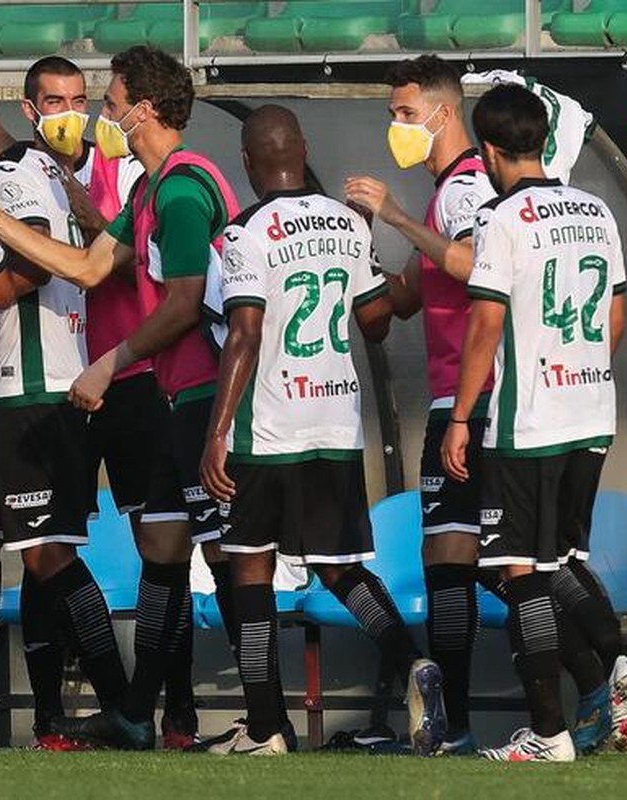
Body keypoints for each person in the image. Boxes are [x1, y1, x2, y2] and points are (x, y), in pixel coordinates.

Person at [0, 45, 241, 750]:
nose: (99, 115)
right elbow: (91, 268)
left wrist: (107, 363)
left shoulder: (180, 187)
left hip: (197, 397)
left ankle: (259, 721)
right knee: (158, 545)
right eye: (67, 103)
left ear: (144, 110)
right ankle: (131, 713)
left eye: (110, 101)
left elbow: (185, 303)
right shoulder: (148, 190)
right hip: (165, 390)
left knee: (226, 557)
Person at [198, 104, 446, 757]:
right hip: (335, 426)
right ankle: (412, 658)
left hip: (269, 428)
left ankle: (266, 728)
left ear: (248, 163)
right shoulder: (344, 223)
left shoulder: (243, 233)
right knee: (340, 568)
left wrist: (216, 430)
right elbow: (375, 323)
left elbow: (244, 331)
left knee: (248, 570)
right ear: (303, 150)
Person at [0, 77, 129, 751]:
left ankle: (126, 709)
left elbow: (30, 262)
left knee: (47, 556)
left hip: (41, 396)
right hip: (6, 393)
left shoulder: (8, 173)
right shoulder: (43, 164)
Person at [439, 83, 627, 762]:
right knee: (564, 561)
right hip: (591, 413)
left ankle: (550, 732)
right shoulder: (596, 209)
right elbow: (615, 318)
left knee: (521, 569)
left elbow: (486, 324)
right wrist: (578, 369)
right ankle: (617, 673)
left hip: (529, 421)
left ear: (491, 151)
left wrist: (461, 417)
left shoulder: (503, 218)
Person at [18, 55, 199, 749]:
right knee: (44, 542)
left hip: (133, 383)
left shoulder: (136, 170)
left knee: (164, 548)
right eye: (55, 102)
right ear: (31, 111)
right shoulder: (21, 172)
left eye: (83, 99)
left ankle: (174, 712)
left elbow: (110, 253)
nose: (74, 112)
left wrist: (77, 200)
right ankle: (50, 718)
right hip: (65, 381)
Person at [342, 55, 497, 755]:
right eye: (392, 116)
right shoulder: (446, 197)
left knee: (473, 558)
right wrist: (352, 255)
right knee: (459, 557)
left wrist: (394, 215)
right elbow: (405, 299)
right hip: (458, 397)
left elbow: (470, 265)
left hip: (470, 399)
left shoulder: (463, 191)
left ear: (444, 113)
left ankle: (596, 675)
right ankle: (457, 722)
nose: (397, 128)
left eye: (406, 115)